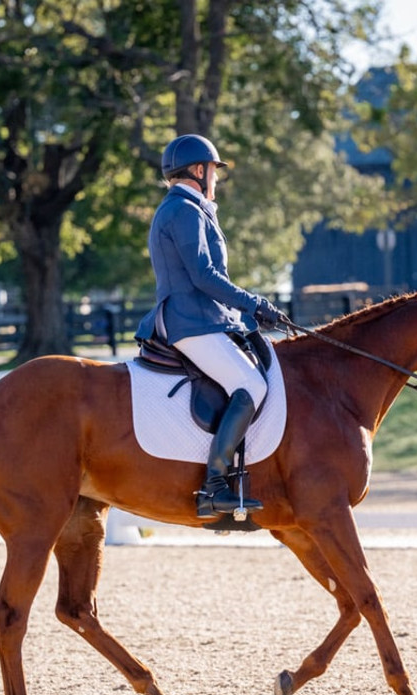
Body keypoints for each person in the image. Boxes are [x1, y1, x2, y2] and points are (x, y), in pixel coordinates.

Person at [135, 134, 285, 519]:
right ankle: (214, 486)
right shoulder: (184, 210)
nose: (216, 179)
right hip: (191, 320)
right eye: (214, 171)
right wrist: (255, 303)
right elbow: (205, 276)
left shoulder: (188, 208)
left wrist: (246, 315)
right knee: (251, 384)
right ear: (199, 171)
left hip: (203, 318)